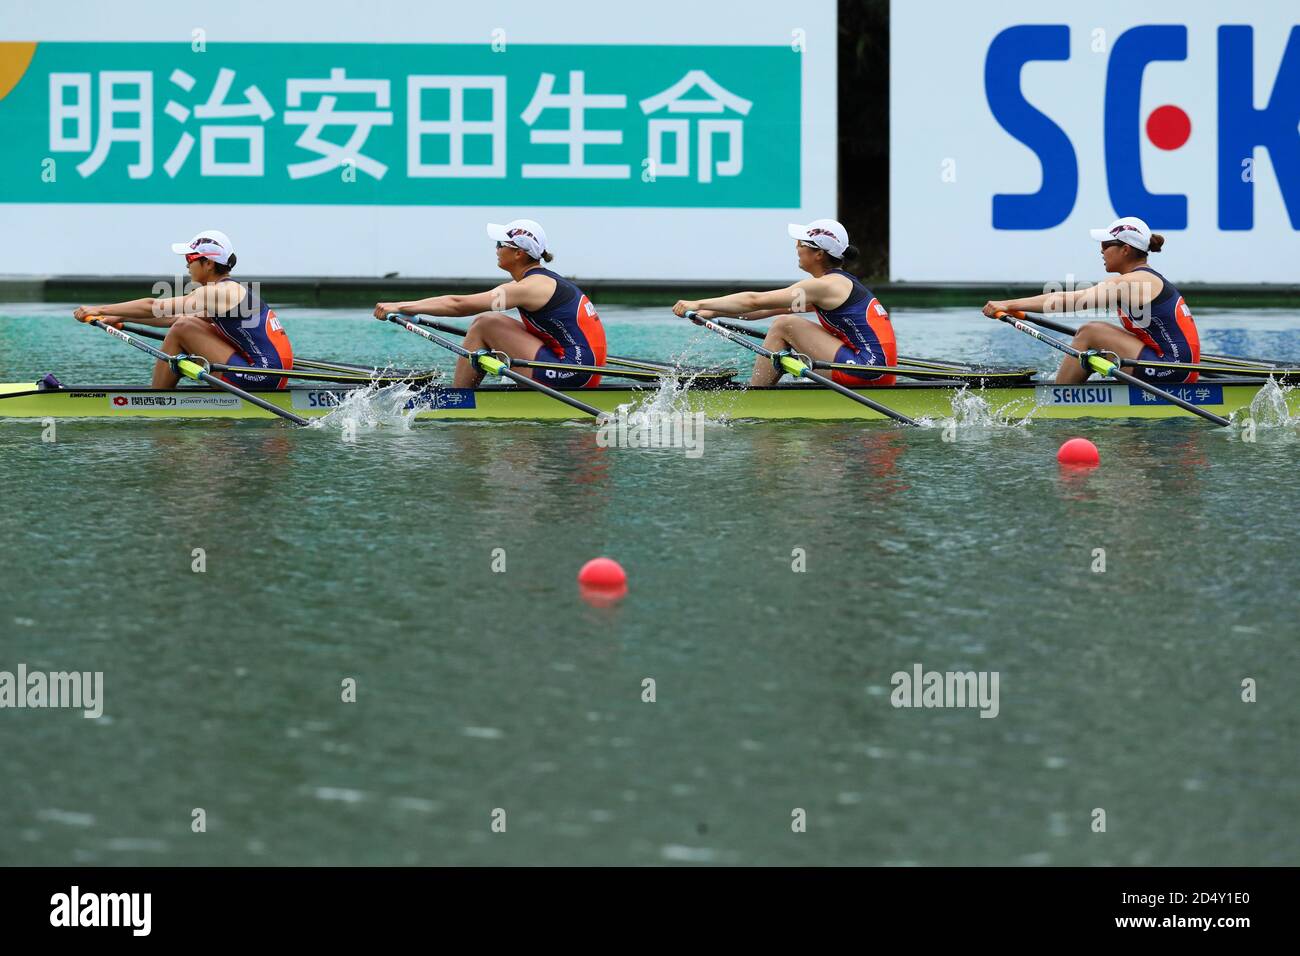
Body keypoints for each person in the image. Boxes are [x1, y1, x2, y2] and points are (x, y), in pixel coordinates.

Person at [374, 219, 607, 388]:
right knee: (491, 324)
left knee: (486, 324)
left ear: (519, 253)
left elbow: (458, 305)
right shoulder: (538, 282)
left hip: (574, 373)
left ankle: (460, 400)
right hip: (581, 368)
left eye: (500, 244)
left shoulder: (528, 288)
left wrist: (400, 306)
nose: (495, 249)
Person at [671, 219, 896, 386]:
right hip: (878, 372)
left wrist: (697, 304)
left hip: (868, 371)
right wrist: (712, 312)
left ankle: (755, 398)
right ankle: (761, 392)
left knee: (784, 325)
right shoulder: (834, 288)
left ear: (818, 253)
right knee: (783, 322)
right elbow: (765, 309)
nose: (796, 247)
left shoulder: (824, 287)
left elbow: (754, 301)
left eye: (800, 243)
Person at [983, 216, 1200, 384]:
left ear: (1125, 249)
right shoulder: (1140, 279)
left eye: (1106, 245)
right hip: (1179, 367)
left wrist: (1008, 305)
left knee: (1090, 332)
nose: (1101, 250)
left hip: (1173, 370)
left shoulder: (1132, 282)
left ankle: (1059, 402)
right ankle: (1075, 390)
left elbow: (1063, 300)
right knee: (1094, 341)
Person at [72, 230, 293, 389]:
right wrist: (117, 316)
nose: (186, 265)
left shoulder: (219, 292)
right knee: (186, 323)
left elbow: (155, 306)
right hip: (270, 374)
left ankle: (156, 400)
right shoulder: (228, 292)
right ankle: (161, 394)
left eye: (190, 258)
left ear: (208, 263)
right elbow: (171, 318)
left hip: (261, 376)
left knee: (184, 328)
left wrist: (97, 308)